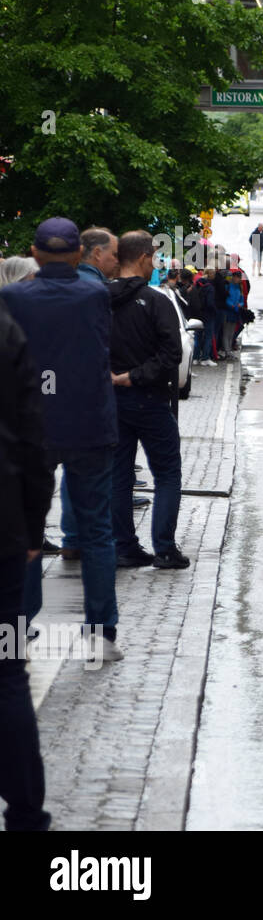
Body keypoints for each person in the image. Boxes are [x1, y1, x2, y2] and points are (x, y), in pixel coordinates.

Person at [0, 218, 121, 663]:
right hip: (88, 424)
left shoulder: (11, 297)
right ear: (77, 255)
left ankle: (15, 631)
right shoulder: (94, 294)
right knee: (97, 532)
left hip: (30, 428)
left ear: (34, 252)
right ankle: (100, 634)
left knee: (22, 528)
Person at [0, 292, 55, 831]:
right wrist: (35, 525)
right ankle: (25, 812)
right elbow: (33, 441)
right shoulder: (6, 330)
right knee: (6, 672)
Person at [107, 231, 187, 571]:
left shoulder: (97, 299)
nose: (154, 263)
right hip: (150, 400)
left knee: (118, 475)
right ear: (143, 258)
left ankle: (124, 547)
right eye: (153, 257)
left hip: (109, 400)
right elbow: (172, 353)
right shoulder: (156, 301)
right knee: (167, 473)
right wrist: (136, 376)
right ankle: (165, 549)